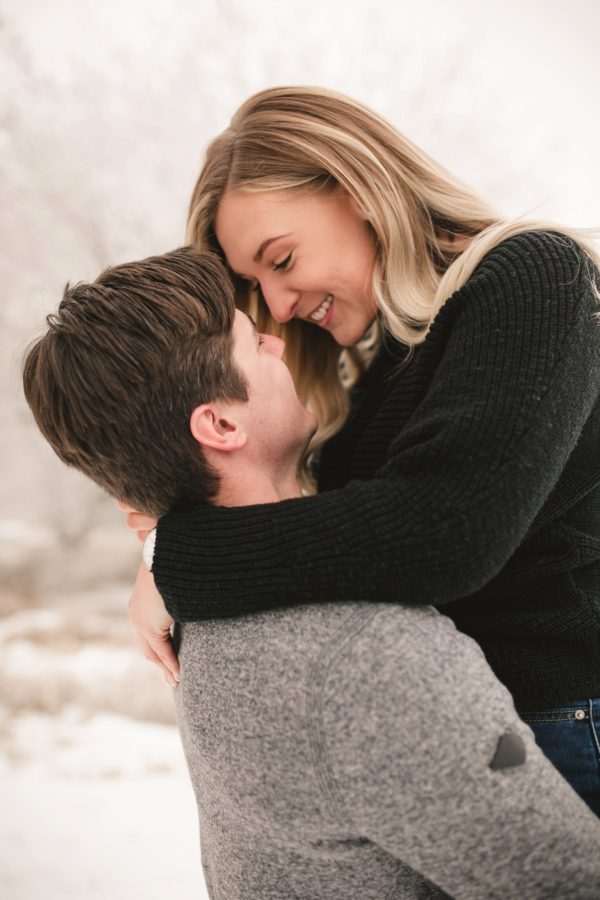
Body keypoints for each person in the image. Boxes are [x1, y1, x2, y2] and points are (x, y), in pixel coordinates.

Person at [22, 248, 600, 898]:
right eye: (253, 342)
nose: (277, 340)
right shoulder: (368, 658)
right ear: (220, 423)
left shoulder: (201, 618)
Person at [123, 86, 600, 816]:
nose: (277, 305)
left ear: (361, 189)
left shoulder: (531, 277)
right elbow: (348, 538)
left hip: (559, 728)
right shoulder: (381, 363)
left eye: (282, 259)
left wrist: (178, 556)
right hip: (457, 728)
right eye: (255, 284)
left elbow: (444, 534)